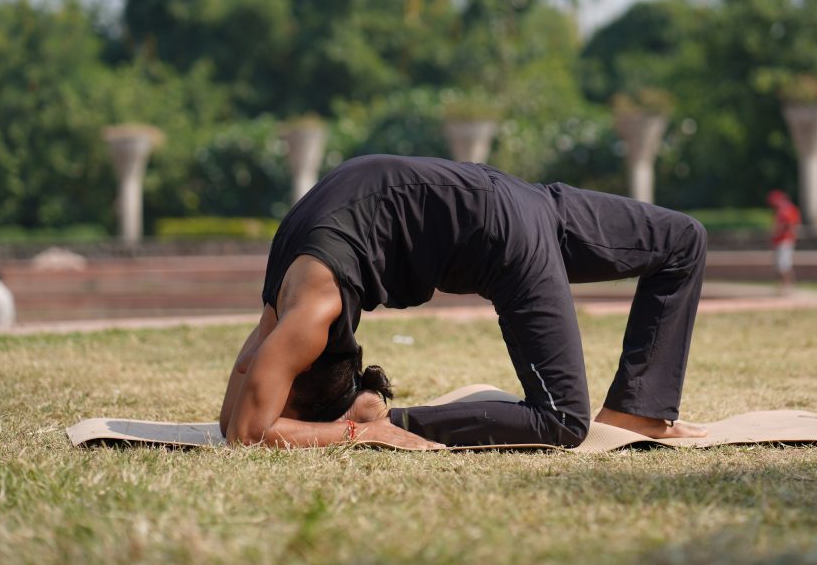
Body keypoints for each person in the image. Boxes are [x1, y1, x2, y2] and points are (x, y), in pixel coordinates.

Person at [219, 155, 708, 449]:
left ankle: (393, 422)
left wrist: (356, 431)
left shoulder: (310, 313)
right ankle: (639, 411)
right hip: (502, 193)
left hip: (504, 227)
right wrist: (344, 427)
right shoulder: (286, 295)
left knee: (560, 420)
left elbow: (244, 434)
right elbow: (239, 416)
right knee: (683, 239)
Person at [767, 190, 801, 294]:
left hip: (785, 240)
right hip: (781, 241)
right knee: (780, 265)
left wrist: (779, 232)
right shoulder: (782, 209)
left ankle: (788, 286)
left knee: (784, 265)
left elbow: (790, 225)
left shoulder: (787, 209)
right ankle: (783, 286)